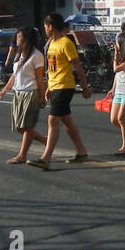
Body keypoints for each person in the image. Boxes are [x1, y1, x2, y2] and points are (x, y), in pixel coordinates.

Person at [28, 12, 90, 169]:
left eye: (45, 26)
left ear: (51, 26)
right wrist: (49, 87)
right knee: (66, 120)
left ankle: (46, 158)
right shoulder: (51, 44)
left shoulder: (65, 43)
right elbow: (53, 69)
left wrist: (84, 87)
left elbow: (78, 66)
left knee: (52, 120)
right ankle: (82, 152)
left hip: (64, 86)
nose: (44, 29)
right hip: (55, 86)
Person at [0, 26, 47, 164]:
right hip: (18, 93)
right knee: (19, 127)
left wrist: (42, 96)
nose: (16, 40)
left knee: (26, 127)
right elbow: (15, 75)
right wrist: (5, 89)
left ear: (26, 39)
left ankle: (22, 155)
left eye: (19, 37)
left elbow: (39, 78)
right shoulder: (19, 54)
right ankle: (45, 140)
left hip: (31, 93)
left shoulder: (37, 55)